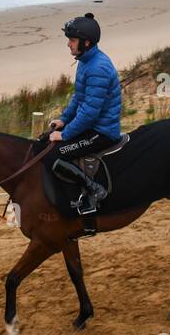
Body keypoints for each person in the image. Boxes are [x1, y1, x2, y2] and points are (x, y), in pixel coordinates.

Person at [48, 12, 122, 216]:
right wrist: (64, 119)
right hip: (91, 126)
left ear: (86, 43)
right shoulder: (85, 60)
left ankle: (94, 190)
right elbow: (78, 99)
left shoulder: (97, 67)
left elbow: (89, 113)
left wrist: (65, 134)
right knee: (47, 143)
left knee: (57, 154)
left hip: (103, 132)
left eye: (72, 40)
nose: (69, 45)